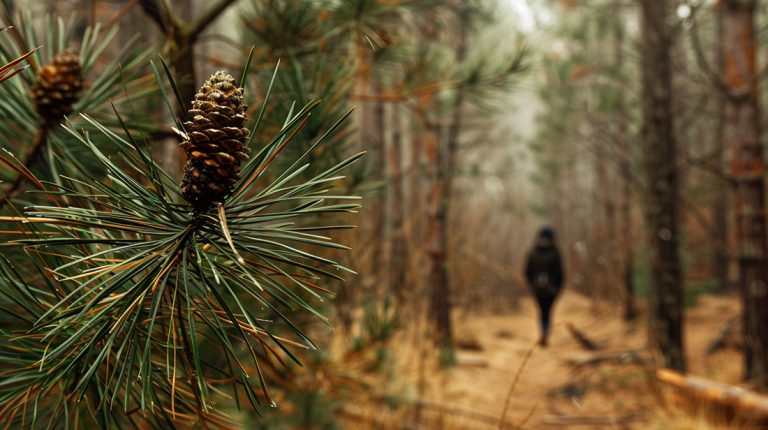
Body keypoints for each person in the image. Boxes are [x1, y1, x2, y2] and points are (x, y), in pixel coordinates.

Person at [524, 227, 564, 347]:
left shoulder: (533, 252)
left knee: (542, 312)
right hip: (551, 290)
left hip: (538, 289)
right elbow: (560, 274)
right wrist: (557, 289)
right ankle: (545, 334)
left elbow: (527, 272)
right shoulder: (555, 253)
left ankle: (543, 333)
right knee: (547, 312)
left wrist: (532, 285)